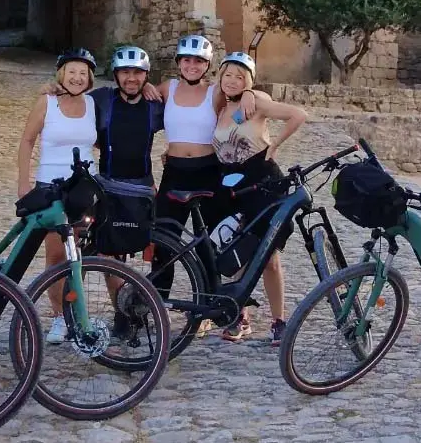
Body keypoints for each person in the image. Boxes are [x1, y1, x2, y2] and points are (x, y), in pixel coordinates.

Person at [142, 35, 254, 318]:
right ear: (179, 62)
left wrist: (252, 93)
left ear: (207, 65)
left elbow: (241, 96)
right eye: (187, 60)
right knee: (165, 241)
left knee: (211, 243)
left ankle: (212, 307)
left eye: (199, 61)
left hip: (208, 172)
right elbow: (141, 94)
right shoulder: (168, 87)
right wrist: (144, 85)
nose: (192, 66)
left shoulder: (215, 92)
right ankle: (156, 305)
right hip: (175, 173)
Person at [211, 51, 307, 345]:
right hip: (232, 183)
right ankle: (241, 317)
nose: (232, 81)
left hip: (262, 180)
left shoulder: (257, 103)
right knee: (238, 251)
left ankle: (279, 321)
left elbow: (298, 115)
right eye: (228, 74)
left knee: (268, 257)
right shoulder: (221, 107)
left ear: (250, 80)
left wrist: (275, 144)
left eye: (241, 77)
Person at [17, 47, 98, 344]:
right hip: (50, 188)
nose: (77, 78)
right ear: (61, 74)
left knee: (76, 254)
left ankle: (75, 310)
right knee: (54, 256)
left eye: (82, 73)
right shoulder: (46, 102)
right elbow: (26, 142)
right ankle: (59, 318)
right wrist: (23, 185)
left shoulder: (92, 103)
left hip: (82, 189)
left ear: (89, 78)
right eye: (71, 72)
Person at [93, 46, 164, 341]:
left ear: (146, 75)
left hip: (143, 189)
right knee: (111, 257)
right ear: (116, 75)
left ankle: (146, 307)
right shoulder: (103, 99)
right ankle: (122, 312)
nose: (131, 78)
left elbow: (189, 99)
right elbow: (70, 94)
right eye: (125, 72)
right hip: (110, 187)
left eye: (138, 73)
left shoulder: (154, 105)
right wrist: (52, 86)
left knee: (155, 255)